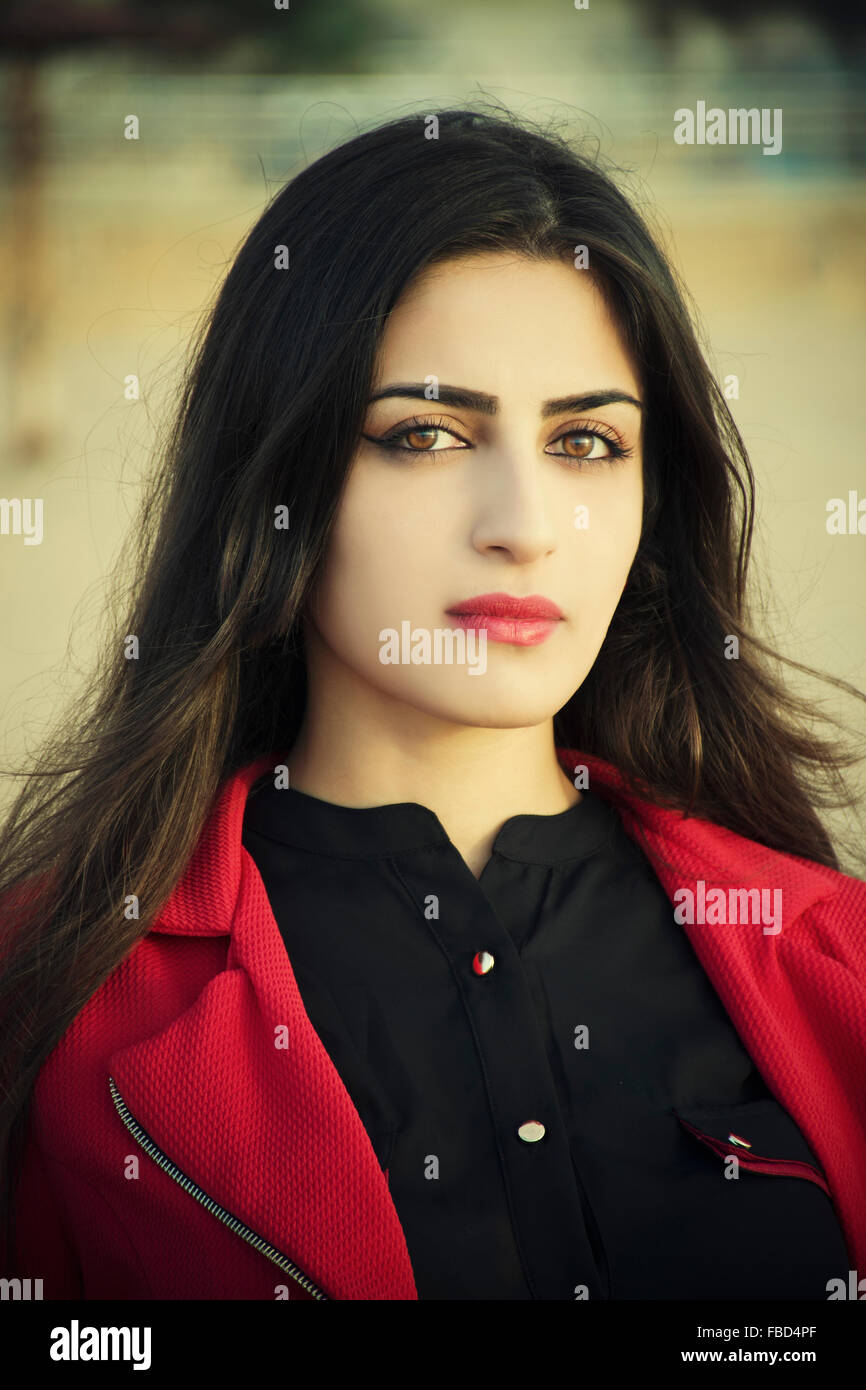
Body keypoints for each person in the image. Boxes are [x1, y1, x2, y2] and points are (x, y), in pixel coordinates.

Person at [1, 106, 864, 1302]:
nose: (520, 522)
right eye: (424, 433)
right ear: (277, 483)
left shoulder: (831, 955)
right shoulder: (50, 991)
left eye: (586, 444)